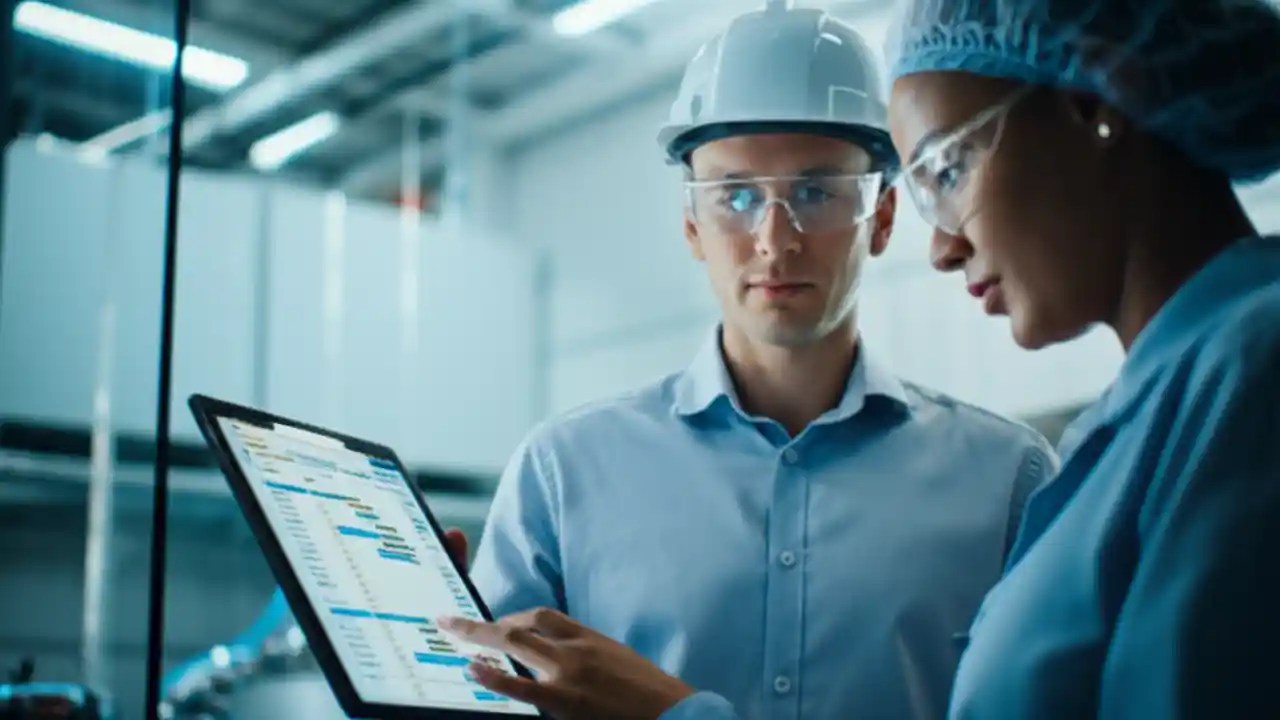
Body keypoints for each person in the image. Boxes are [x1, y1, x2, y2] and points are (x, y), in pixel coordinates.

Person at [438, 0, 1280, 718]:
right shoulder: (565, 469)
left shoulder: (1221, 391)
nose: (944, 246)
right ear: (690, 224)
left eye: (947, 167)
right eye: (733, 196)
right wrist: (423, 651)